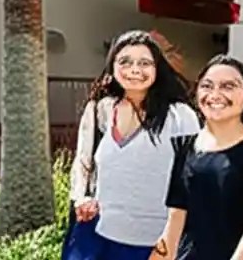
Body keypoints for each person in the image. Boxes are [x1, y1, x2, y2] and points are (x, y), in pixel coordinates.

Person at [67, 30, 199, 260]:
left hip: (157, 241)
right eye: (125, 62)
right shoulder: (100, 109)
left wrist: (174, 240)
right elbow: (82, 162)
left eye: (144, 63)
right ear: (112, 66)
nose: (135, 70)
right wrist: (81, 197)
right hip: (98, 237)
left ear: (157, 69)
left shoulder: (180, 115)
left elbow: (192, 178)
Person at [155, 55, 243, 260]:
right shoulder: (185, 148)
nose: (215, 94)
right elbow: (174, 224)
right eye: (207, 86)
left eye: (228, 86)